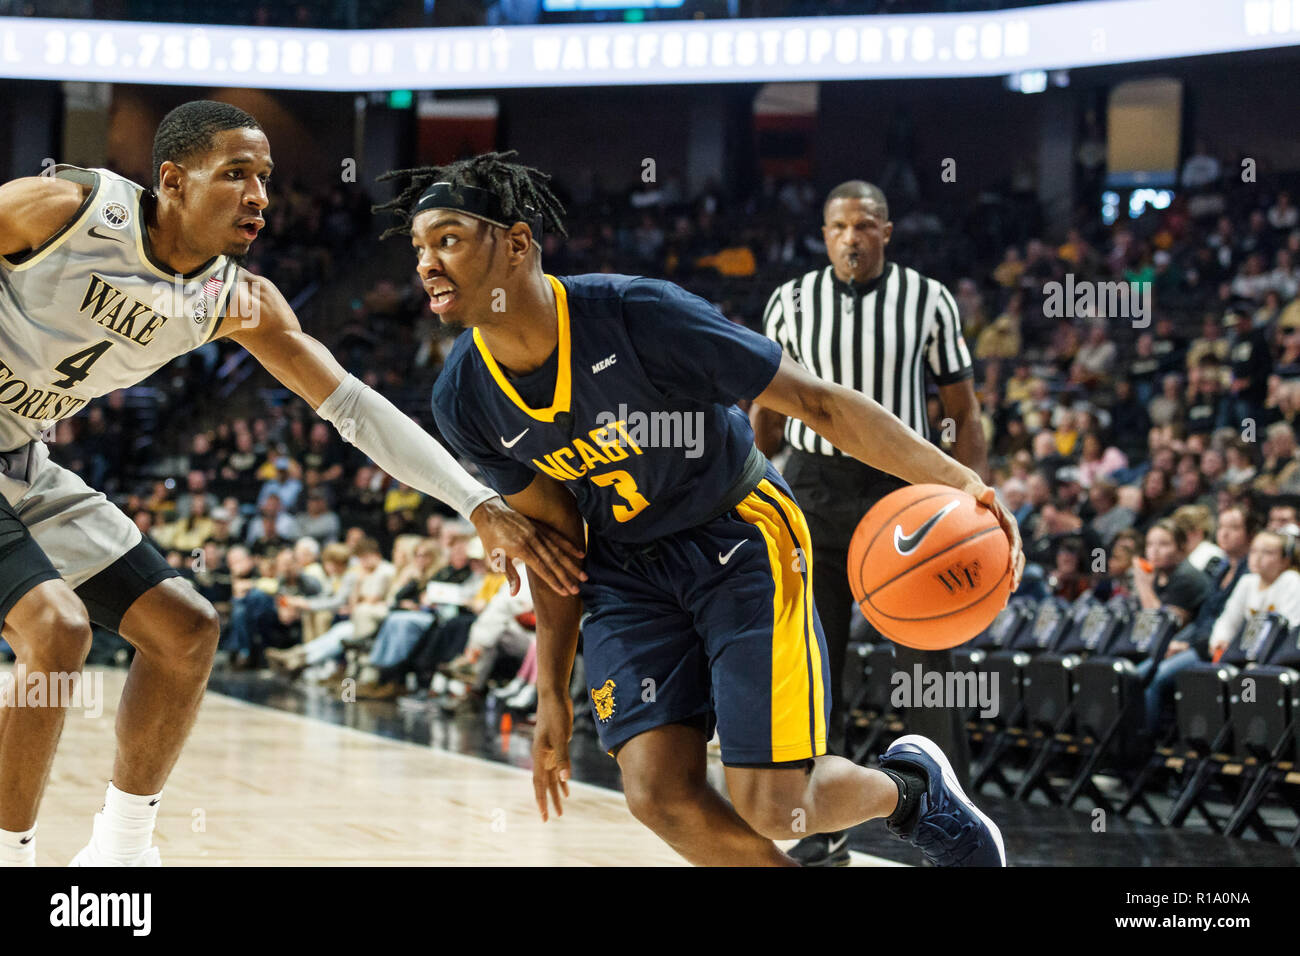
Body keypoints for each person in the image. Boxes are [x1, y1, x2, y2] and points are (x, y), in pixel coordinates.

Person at [382, 152, 1022, 867]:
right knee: (656, 791)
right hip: (626, 572)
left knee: (776, 808)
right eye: (417, 249)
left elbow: (815, 402)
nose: (427, 265)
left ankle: (912, 792)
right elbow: (555, 540)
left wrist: (960, 478)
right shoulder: (463, 397)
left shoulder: (639, 316)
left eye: (448, 239)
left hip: (738, 537)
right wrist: (553, 694)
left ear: (518, 242)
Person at [0, 101, 583, 868]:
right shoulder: (61, 209)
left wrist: (476, 501)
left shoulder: (236, 300)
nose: (259, 196)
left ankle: (120, 854)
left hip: (22, 460)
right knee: (58, 630)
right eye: (235, 174)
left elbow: (352, 406)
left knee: (186, 632)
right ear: (172, 179)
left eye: (266, 178)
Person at [750, 180, 989, 866]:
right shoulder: (790, 301)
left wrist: (967, 497)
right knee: (814, 662)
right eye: (837, 227)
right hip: (814, 488)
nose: (850, 237)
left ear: (886, 230)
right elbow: (765, 414)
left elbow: (963, 412)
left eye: (863, 225)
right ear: (824, 235)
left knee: (927, 665)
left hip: (903, 494)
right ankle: (819, 827)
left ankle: (951, 830)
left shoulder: (930, 299)